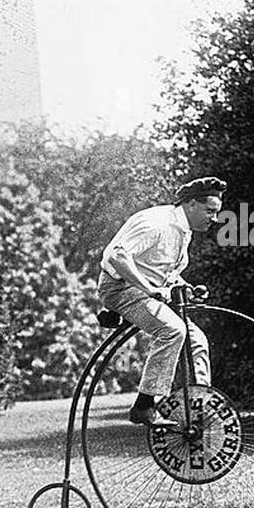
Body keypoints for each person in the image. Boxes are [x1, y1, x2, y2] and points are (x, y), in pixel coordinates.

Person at [98, 177, 226, 425]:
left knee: (197, 341)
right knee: (173, 330)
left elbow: (161, 269)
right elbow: (117, 255)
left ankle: (199, 406)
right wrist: (148, 289)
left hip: (147, 293)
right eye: (210, 211)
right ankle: (144, 406)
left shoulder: (183, 231)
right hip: (120, 288)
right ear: (191, 204)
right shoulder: (157, 223)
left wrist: (185, 287)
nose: (214, 218)